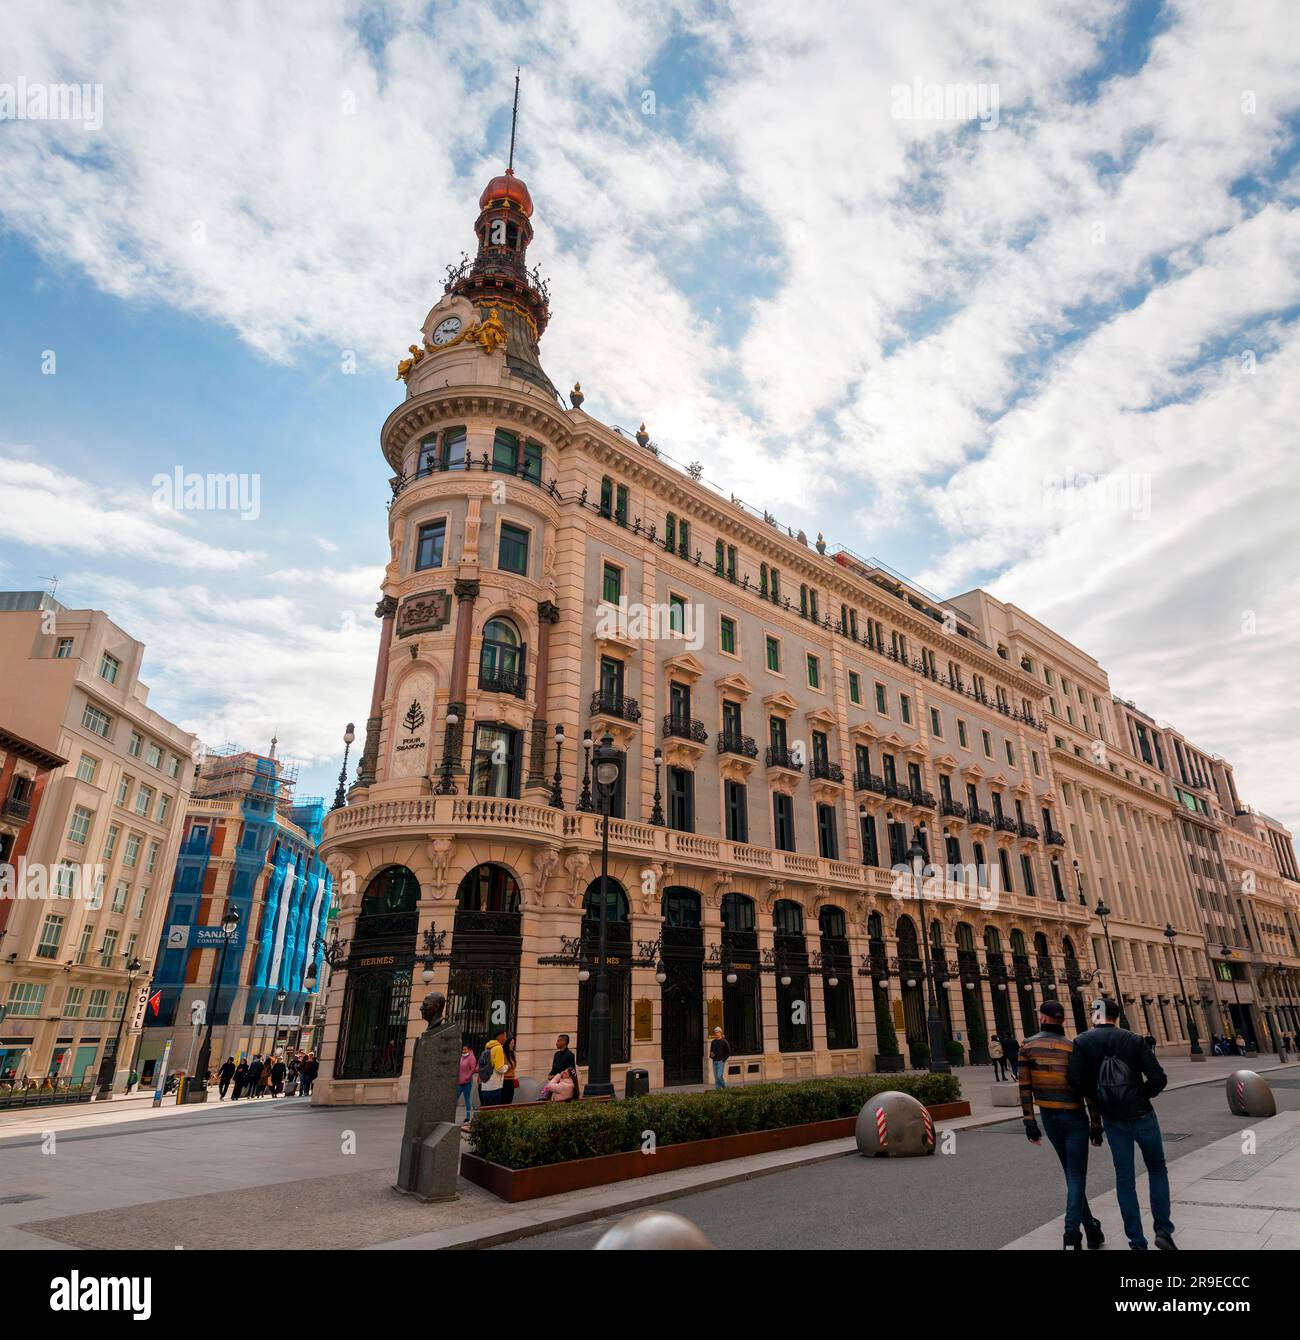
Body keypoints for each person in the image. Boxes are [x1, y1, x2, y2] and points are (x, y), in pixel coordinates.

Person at [1068, 997, 1175, 1251]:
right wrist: (1140, 1094)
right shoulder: (1133, 1039)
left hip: (1113, 1119)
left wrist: (1101, 1099)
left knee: (1124, 1178)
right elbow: (1158, 1078)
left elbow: (1075, 1083)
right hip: (1142, 1114)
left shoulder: (1082, 1042)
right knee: (1157, 1169)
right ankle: (1163, 1231)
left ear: (1096, 1016)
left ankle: (1137, 1242)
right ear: (1116, 1016)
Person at [1019, 1001, 1105, 1250]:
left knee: (1072, 1175)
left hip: (1049, 1117)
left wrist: (1029, 1123)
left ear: (1043, 1019)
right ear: (1062, 1021)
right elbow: (1089, 1089)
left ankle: (1088, 1231)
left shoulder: (1028, 1046)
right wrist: (1096, 1124)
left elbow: (1024, 1088)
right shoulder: (1073, 1047)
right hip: (1075, 1117)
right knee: (1075, 1176)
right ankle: (1073, 1235)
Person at [478, 1028, 509, 1107]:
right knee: (493, 1112)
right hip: (494, 1086)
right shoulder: (498, 1048)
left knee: (486, 1110)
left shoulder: (488, 1047)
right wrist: (506, 1067)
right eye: (505, 1036)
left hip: (485, 1086)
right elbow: (499, 1068)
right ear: (500, 1036)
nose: (505, 1038)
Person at [457, 1043, 477, 1124]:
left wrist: (467, 1077)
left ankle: (468, 1117)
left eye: (465, 1049)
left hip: (467, 1082)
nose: (464, 1051)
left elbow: (472, 1069)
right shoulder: (462, 1057)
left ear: (469, 1049)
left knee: (467, 1099)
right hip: (459, 1082)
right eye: (463, 1049)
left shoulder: (472, 1058)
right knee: (455, 1097)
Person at [500, 1035, 519, 1104]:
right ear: (507, 1044)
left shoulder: (513, 1053)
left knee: (509, 1100)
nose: (513, 1045)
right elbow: (502, 1066)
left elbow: (514, 1066)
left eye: (514, 1043)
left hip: (511, 1080)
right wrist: (507, 1066)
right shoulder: (503, 1053)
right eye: (511, 1043)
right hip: (504, 1080)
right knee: (504, 1100)